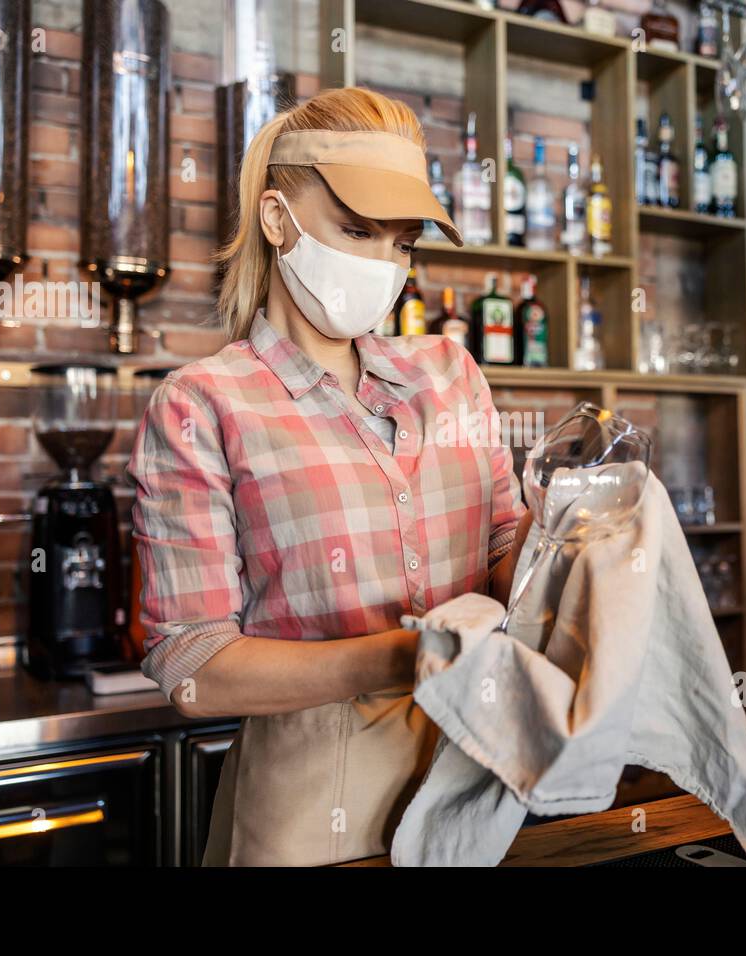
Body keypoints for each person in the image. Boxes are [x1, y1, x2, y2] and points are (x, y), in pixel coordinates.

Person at [127, 88, 529, 865]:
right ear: (278, 219)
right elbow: (192, 665)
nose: (382, 265)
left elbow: (503, 563)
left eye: (402, 243)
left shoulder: (450, 375)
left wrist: (564, 530)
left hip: (483, 786)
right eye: (356, 230)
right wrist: (409, 655)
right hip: (312, 818)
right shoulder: (203, 404)